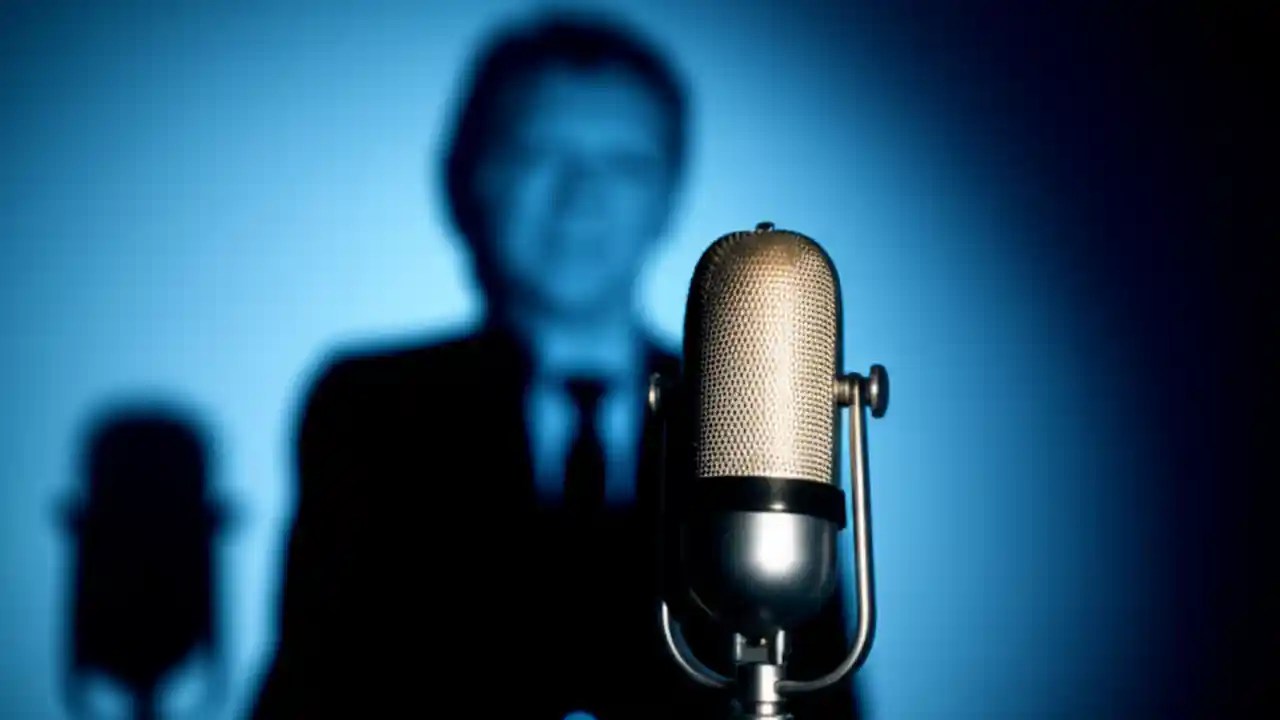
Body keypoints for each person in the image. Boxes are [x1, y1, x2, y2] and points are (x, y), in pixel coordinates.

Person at [252, 13, 861, 719]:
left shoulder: (755, 413)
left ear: (670, 195)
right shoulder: (369, 408)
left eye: (624, 165)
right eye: (538, 155)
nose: (580, 199)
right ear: (471, 178)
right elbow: (314, 681)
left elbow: (821, 686)